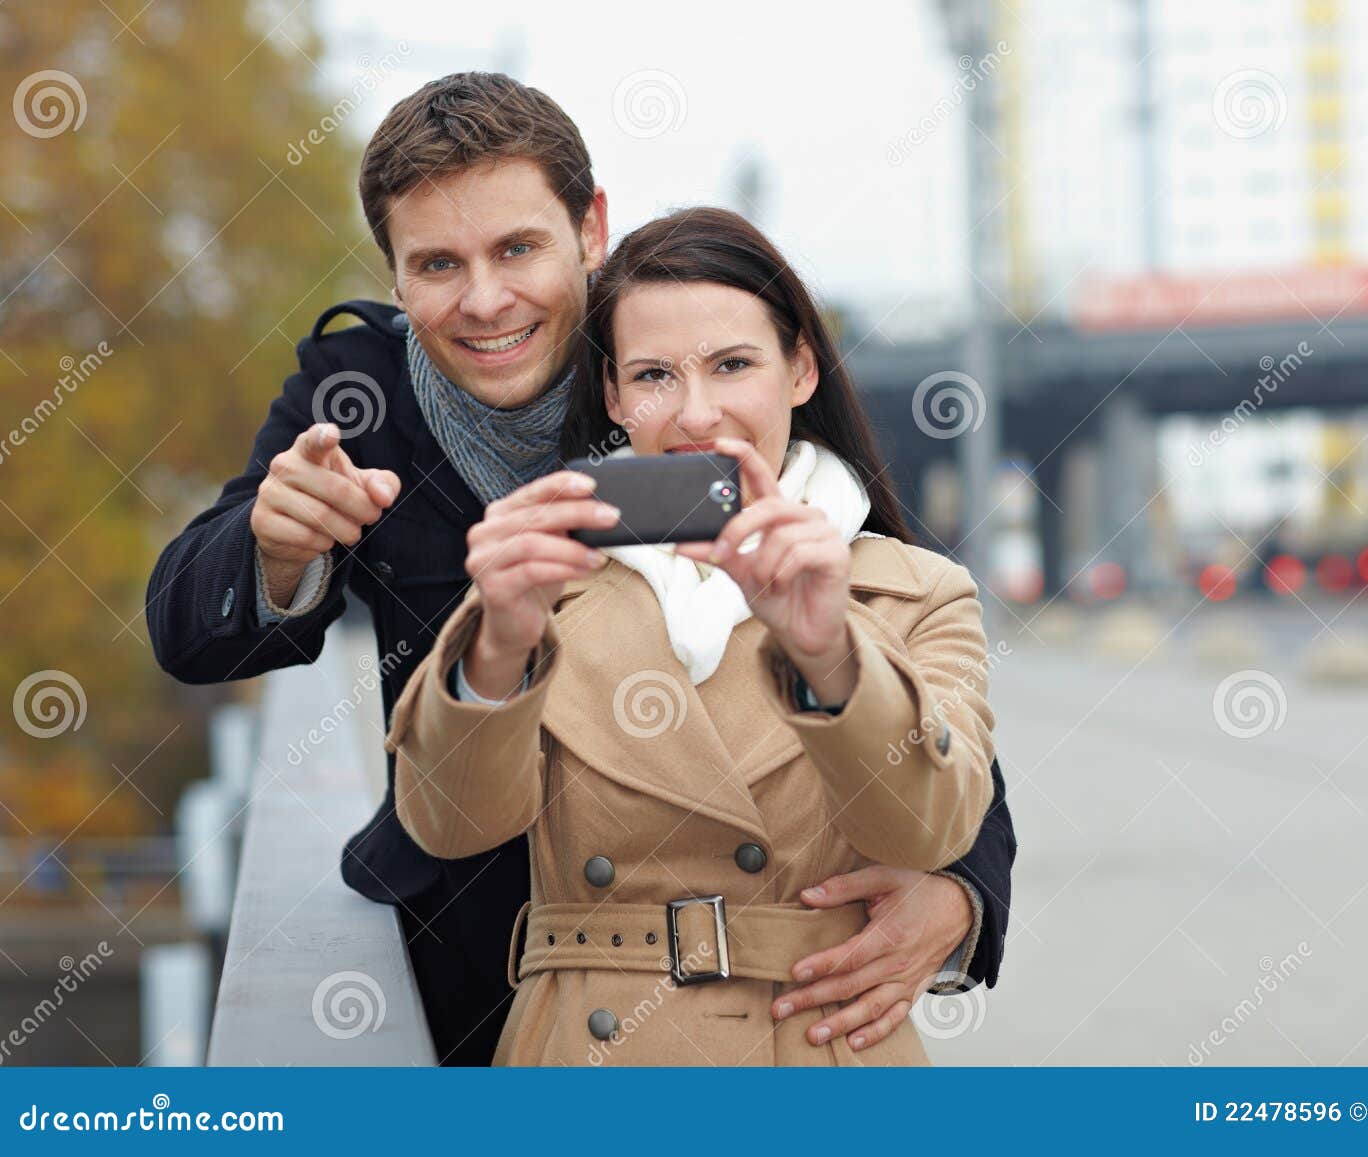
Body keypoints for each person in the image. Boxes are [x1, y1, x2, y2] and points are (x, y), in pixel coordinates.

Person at [145, 73, 1017, 1064]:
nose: (485, 300)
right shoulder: (361, 396)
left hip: (765, 973)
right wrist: (275, 544)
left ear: (590, 229)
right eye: (437, 262)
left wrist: (961, 887)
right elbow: (186, 631)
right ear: (393, 273)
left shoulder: (678, 347)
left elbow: (909, 663)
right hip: (479, 937)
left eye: (518, 247)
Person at [387, 206, 998, 1064]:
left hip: (819, 1050)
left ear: (800, 370)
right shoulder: (539, 578)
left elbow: (930, 831)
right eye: (653, 375)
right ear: (612, 396)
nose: (696, 413)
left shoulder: (915, 592)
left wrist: (827, 652)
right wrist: (498, 646)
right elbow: (452, 825)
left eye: (733, 365)